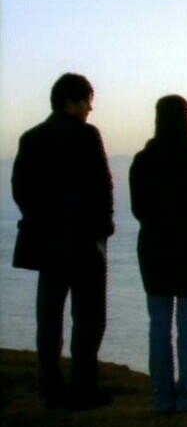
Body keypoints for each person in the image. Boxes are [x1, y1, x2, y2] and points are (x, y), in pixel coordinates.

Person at [11, 73, 114, 410]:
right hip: (85, 243)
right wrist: (103, 229)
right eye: (86, 101)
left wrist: (40, 220)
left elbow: (20, 189)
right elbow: (103, 186)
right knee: (89, 319)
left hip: (47, 244)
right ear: (71, 102)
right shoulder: (87, 136)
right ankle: (83, 388)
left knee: (49, 318)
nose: (89, 109)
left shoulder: (31, 138)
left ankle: (51, 388)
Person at [129, 95, 187, 414]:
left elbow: (138, 208)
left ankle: (163, 397)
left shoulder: (143, 160)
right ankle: (186, 393)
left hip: (154, 252)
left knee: (159, 327)